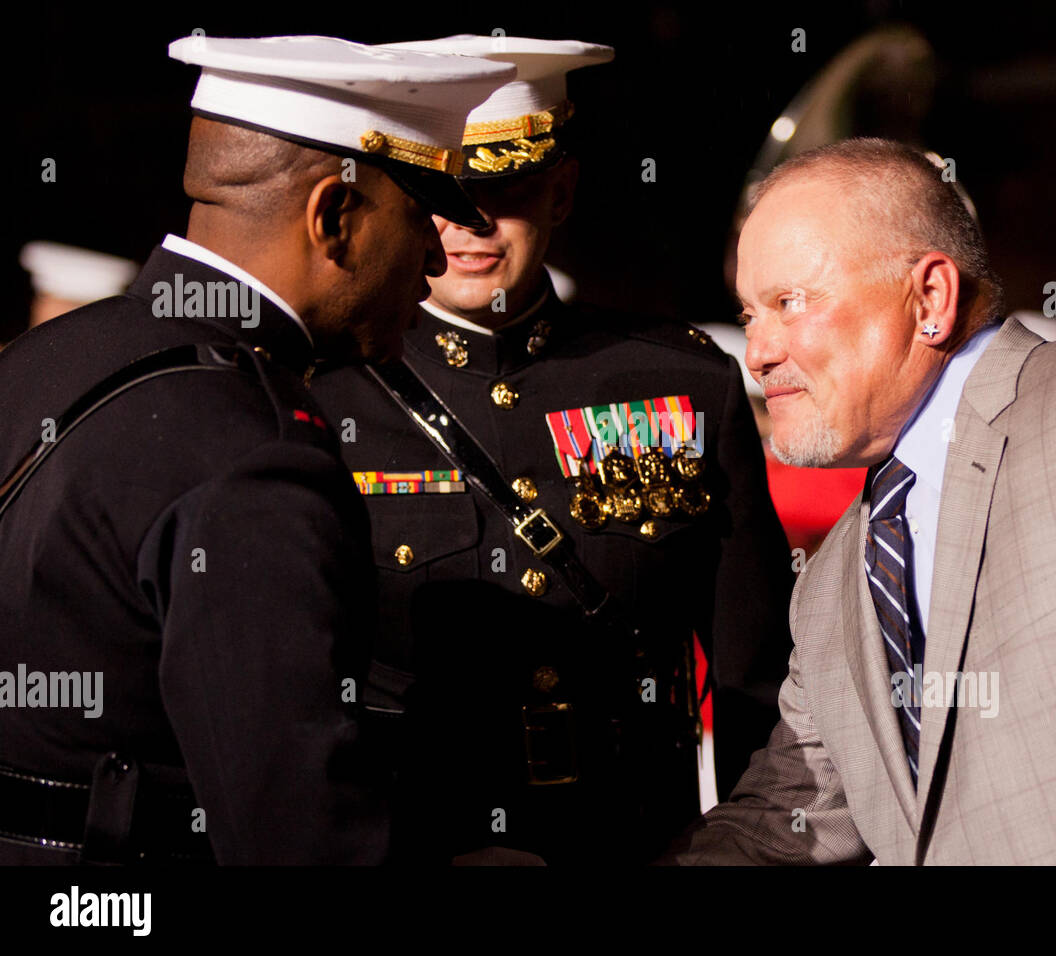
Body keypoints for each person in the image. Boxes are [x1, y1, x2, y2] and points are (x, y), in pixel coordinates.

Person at [665, 137, 1056, 865]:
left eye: (790, 303)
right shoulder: (837, 577)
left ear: (930, 298)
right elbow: (779, 824)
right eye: (750, 315)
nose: (759, 351)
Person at [0, 35, 515, 864]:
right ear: (334, 218)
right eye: (419, 217)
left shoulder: (37, 361)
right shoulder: (254, 450)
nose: (432, 257)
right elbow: (296, 835)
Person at [309, 35, 794, 865]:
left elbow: (761, 681)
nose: (468, 226)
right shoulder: (326, 391)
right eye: (441, 196)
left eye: (503, 193)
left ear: (562, 191)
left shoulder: (681, 380)